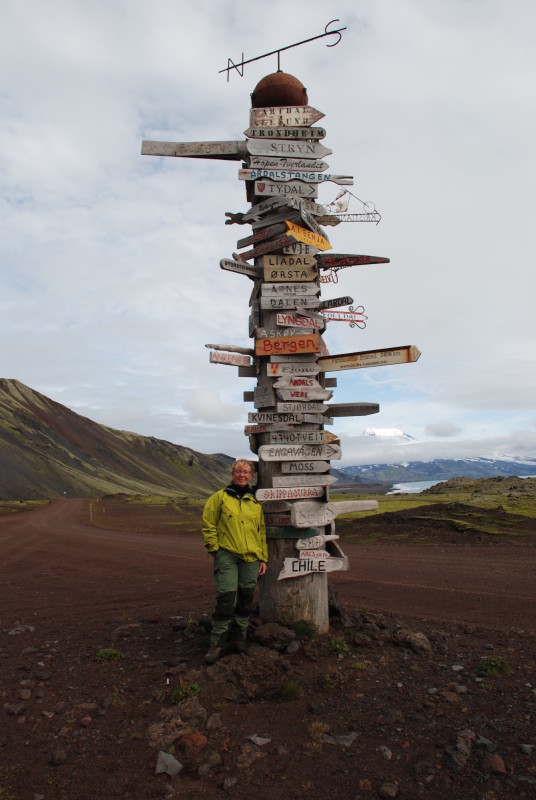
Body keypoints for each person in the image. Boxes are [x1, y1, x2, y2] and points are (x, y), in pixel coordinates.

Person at [202, 459, 267, 664]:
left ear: (251, 476)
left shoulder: (254, 502)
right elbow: (208, 523)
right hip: (227, 555)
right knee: (226, 598)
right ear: (232, 473)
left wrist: (262, 557)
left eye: (246, 472)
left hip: (251, 558)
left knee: (246, 598)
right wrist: (215, 550)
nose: (242, 475)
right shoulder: (219, 498)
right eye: (238, 471)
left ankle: (240, 637)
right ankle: (218, 643)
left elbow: (261, 531)